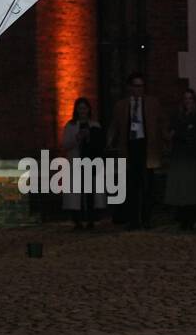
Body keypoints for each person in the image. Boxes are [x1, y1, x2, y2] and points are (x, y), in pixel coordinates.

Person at [107, 71, 163, 229]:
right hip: (130, 147)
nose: (139, 89)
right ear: (130, 87)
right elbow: (115, 126)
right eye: (136, 86)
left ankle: (146, 219)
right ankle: (133, 220)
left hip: (147, 146)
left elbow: (161, 123)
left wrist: (166, 139)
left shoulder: (153, 103)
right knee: (131, 185)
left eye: (141, 86)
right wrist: (110, 141)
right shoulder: (121, 105)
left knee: (148, 186)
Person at [165, 88, 196, 230]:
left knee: (192, 186)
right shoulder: (177, 115)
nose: (188, 101)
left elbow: (191, 132)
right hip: (179, 154)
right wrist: (180, 131)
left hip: (192, 154)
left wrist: (178, 131)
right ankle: (182, 218)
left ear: (194, 101)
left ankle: (192, 218)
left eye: (190, 99)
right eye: (186, 99)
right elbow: (170, 133)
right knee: (181, 186)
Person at [60, 97, 104, 229]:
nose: (82, 111)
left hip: (90, 161)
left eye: (85, 108)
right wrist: (77, 138)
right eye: (80, 108)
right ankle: (77, 220)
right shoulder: (71, 125)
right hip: (76, 161)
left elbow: (100, 144)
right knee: (76, 192)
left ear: (89, 109)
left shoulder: (95, 125)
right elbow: (65, 144)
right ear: (76, 110)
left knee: (90, 191)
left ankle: (91, 219)